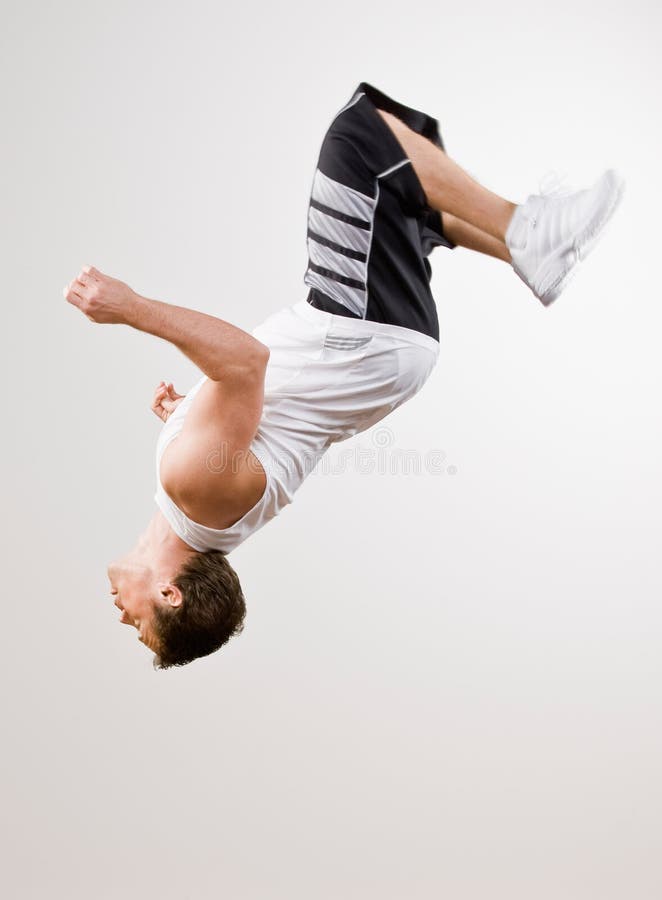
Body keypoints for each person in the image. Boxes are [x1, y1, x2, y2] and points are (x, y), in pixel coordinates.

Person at [64, 81, 625, 670]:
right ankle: (526, 232)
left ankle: (524, 253)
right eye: (140, 628)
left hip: (381, 351)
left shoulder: (208, 507)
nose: (122, 618)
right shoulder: (193, 489)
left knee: (407, 183)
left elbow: (252, 420)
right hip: (356, 333)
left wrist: (188, 412)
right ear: (168, 594)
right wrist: (129, 308)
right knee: (360, 142)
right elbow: (245, 363)